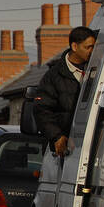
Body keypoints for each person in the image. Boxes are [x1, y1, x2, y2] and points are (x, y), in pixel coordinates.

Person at [35, 25, 97, 156]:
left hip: (91, 147)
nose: (92, 51)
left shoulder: (98, 70)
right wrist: (57, 137)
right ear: (74, 47)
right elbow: (42, 110)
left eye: (94, 47)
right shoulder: (53, 76)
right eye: (88, 47)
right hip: (64, 152)